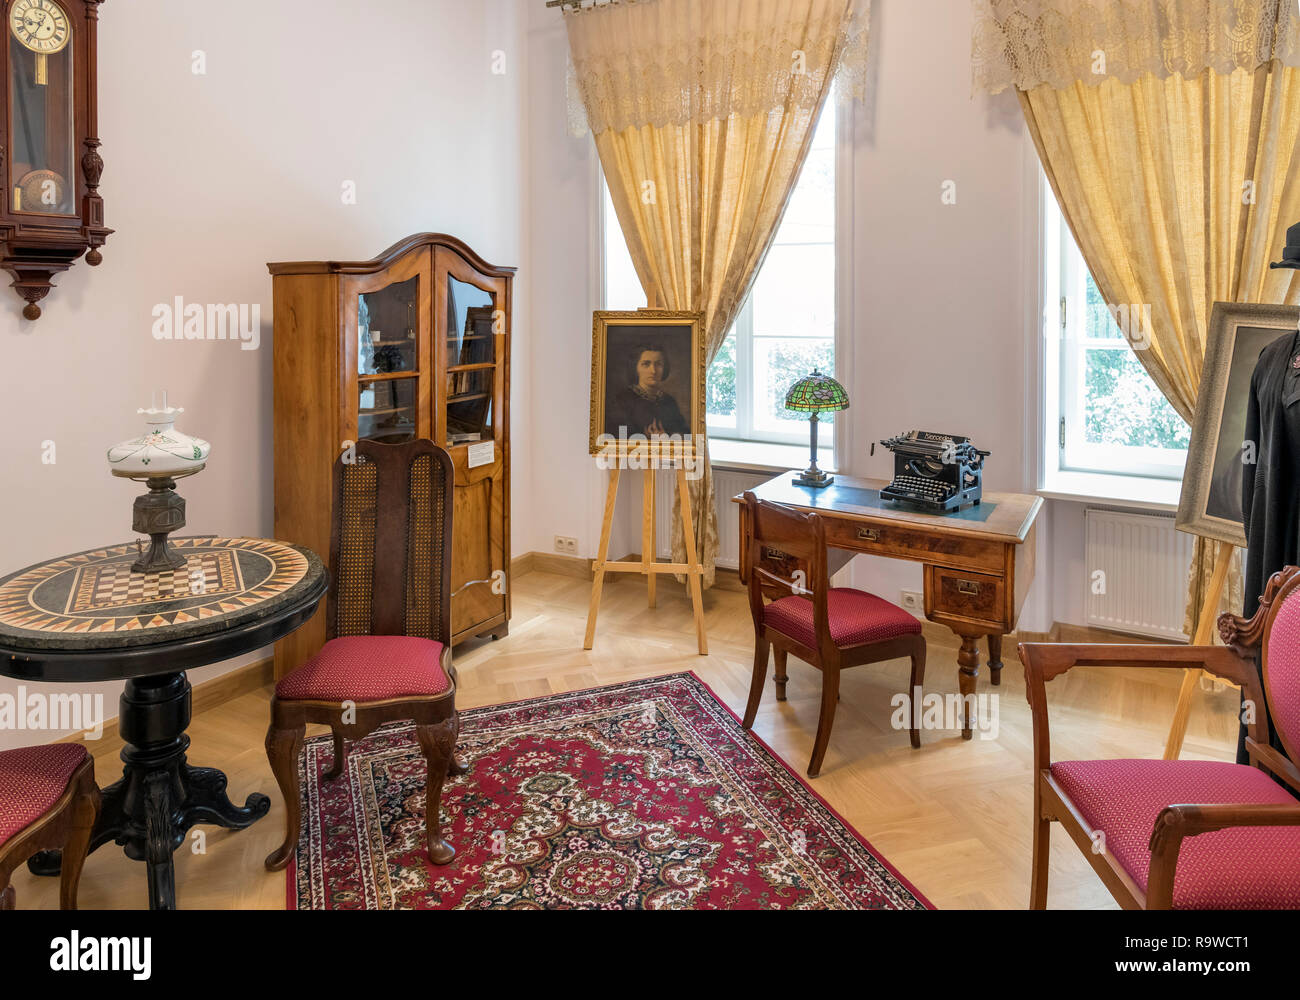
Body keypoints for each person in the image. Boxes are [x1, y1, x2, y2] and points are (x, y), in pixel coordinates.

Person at [604, 344, 689, 439]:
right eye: (646, 364)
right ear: (635, 368)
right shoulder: (622, 400)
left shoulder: (669, 402)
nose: (653, 371)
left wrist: (667, 437)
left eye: (658, 364)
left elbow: (686, 435)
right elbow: (616, 437)